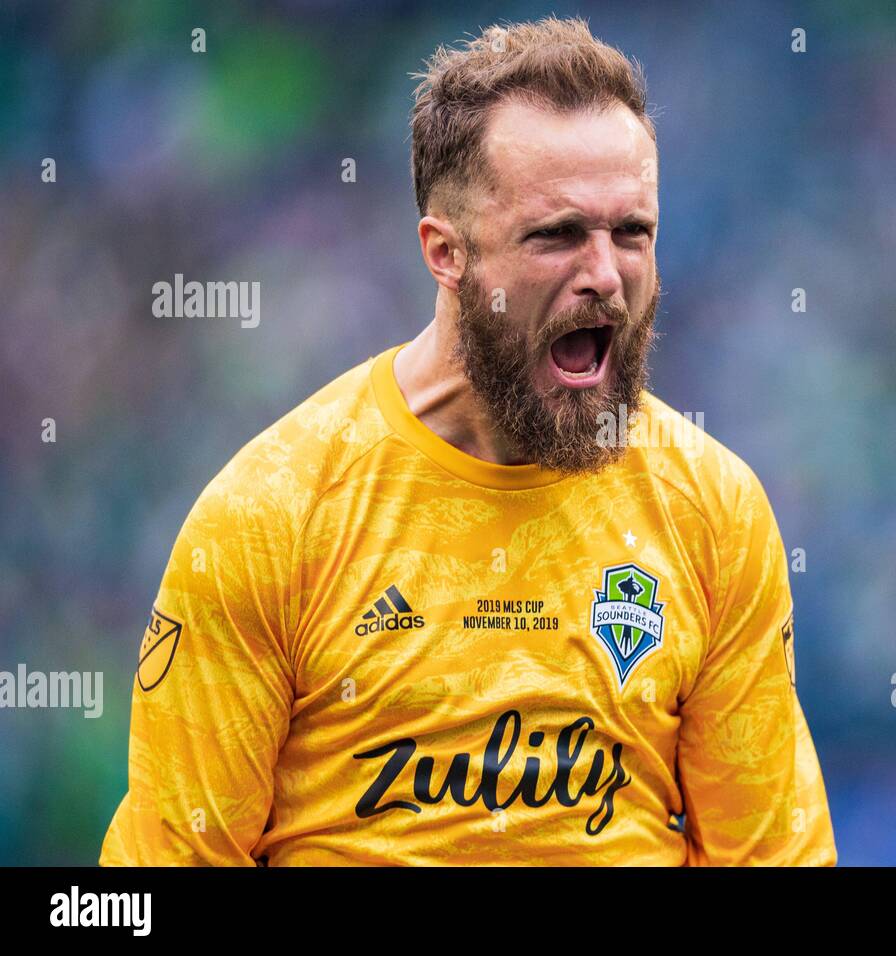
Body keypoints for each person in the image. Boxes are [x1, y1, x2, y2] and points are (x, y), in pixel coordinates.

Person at [100, 15, 836, 866]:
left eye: (632, 232)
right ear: (446, 254)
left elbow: (773, 856)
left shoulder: (713, 511)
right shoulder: (273, 515)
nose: (605, 274)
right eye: (558, 234)